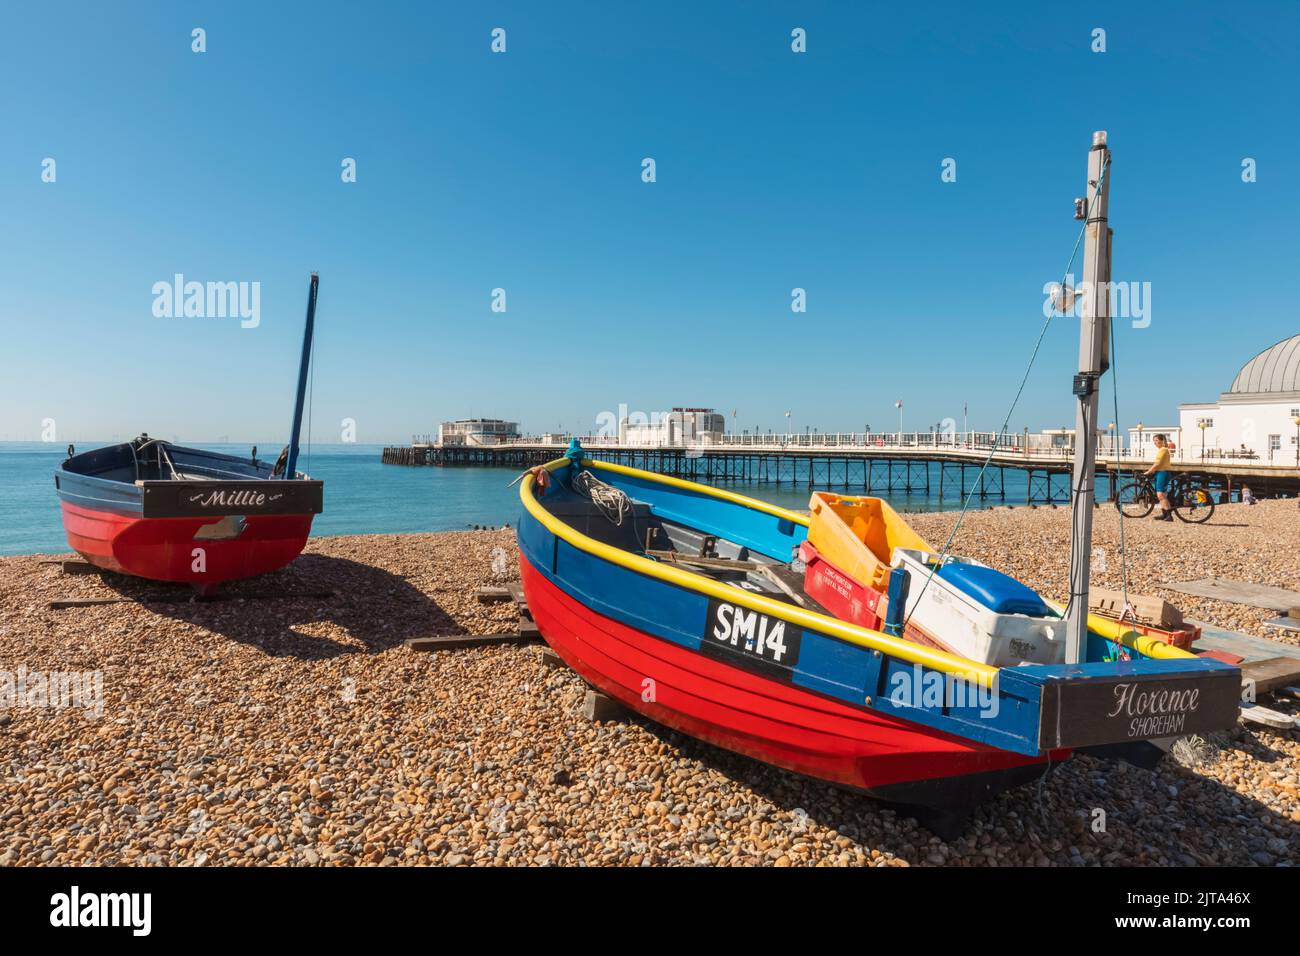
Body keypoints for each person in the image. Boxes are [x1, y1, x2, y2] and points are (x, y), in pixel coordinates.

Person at [1145, 433, 1174, 520]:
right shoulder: (1162, 450)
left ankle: (1169, 515)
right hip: (1160, 472)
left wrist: (1149, 471)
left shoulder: (1163, 449)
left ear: (1162, 441)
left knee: (1160, 494)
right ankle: (1164, 514)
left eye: (1157, 440)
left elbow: (1157, 463)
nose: (1155, 442)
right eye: (1154, 441)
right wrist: (1152, 470)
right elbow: (1157, 463)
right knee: (1162, 495)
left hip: (1163, 472)